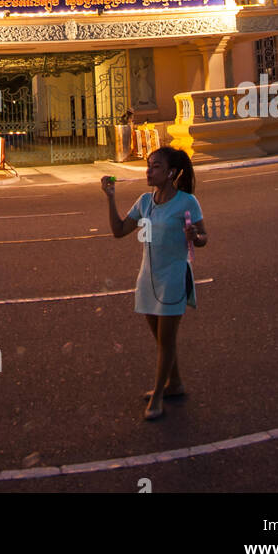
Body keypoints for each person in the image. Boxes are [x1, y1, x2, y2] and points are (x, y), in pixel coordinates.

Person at [101, 146, 207, 421]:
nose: (148, 171)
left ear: (171, 173)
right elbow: (119, 231)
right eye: (148, 165)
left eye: (156, 166)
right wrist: (110, 198)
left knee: (166, 341)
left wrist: (195, 236)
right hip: (147, 278)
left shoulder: (187, 202)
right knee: (161, 339)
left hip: (174, 277)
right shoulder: (145, 201)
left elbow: (203, 238)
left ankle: (159, 396)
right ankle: (175, 383)